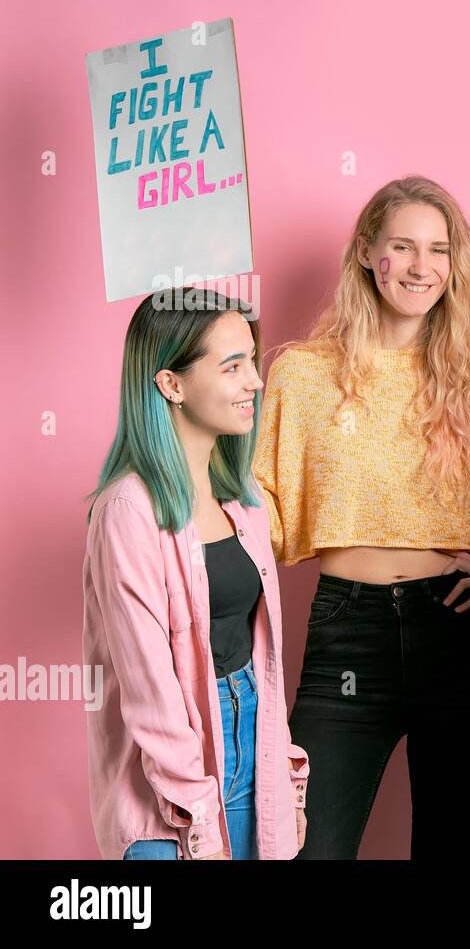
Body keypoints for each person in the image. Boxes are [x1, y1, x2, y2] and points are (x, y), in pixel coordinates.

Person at [253, 175, 470, 859]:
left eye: (438, 249)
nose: (422, 266)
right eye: (404, 246)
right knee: (303, 846)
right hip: (347, 633)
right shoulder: (302, 376)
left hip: (457, 632)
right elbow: (256, 513)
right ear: (370, 253)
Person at [83, 287, 308, 860]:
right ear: (171, 384)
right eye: (232, 366)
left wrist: (287, 784)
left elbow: (266, 659)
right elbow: (150, 693)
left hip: (253, 747)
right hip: (168, 789)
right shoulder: (127, 510)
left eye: (251, 363)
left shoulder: (246, 500)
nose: (255, 382)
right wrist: (198, 820)